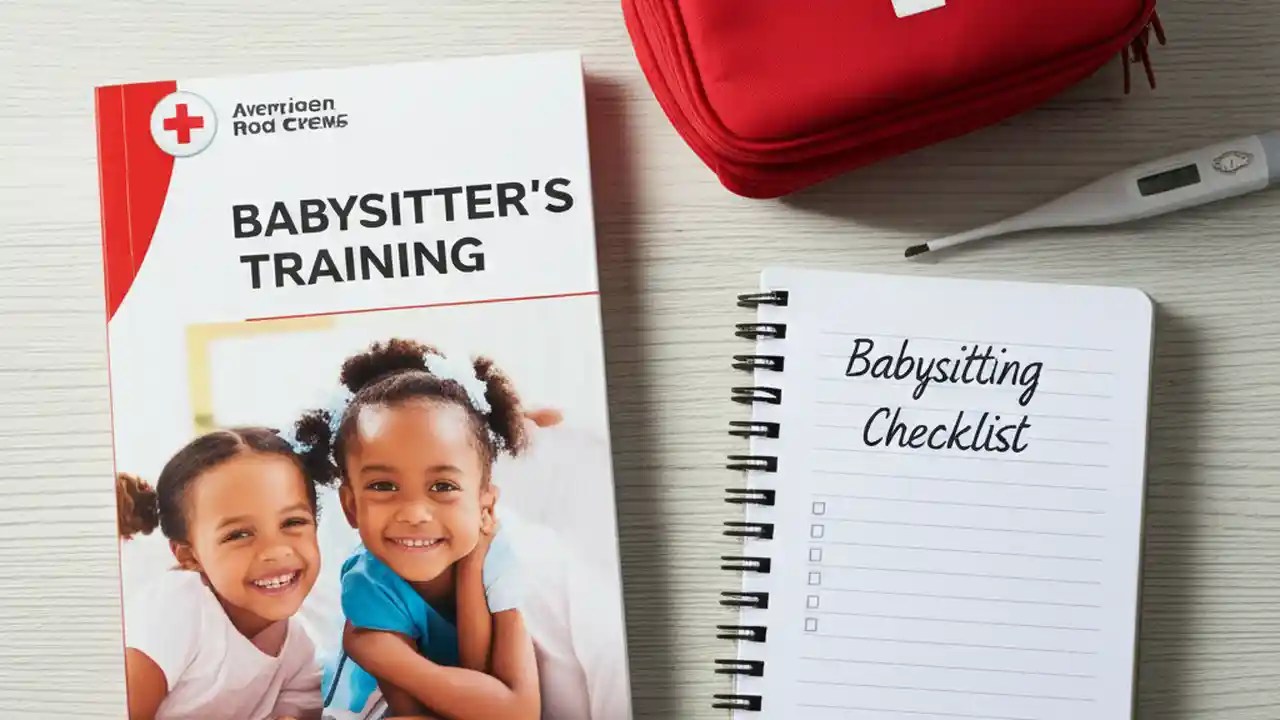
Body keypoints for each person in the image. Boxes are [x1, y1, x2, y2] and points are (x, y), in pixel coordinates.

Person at [293, 339, 540, 720]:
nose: (414, 513)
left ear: (485, 505)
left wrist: (473, 566)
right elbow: (416, 712)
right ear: (351, 506)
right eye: (383, 486)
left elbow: (517, 711)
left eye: (442, 487)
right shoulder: (368, 585)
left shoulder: (500, 553)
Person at [115, 428, 331, 720]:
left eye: (293, 521)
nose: (275, 551)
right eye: (238, 534)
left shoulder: (299, 651)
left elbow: (296, 708)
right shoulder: (178, 607)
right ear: (190, 555)